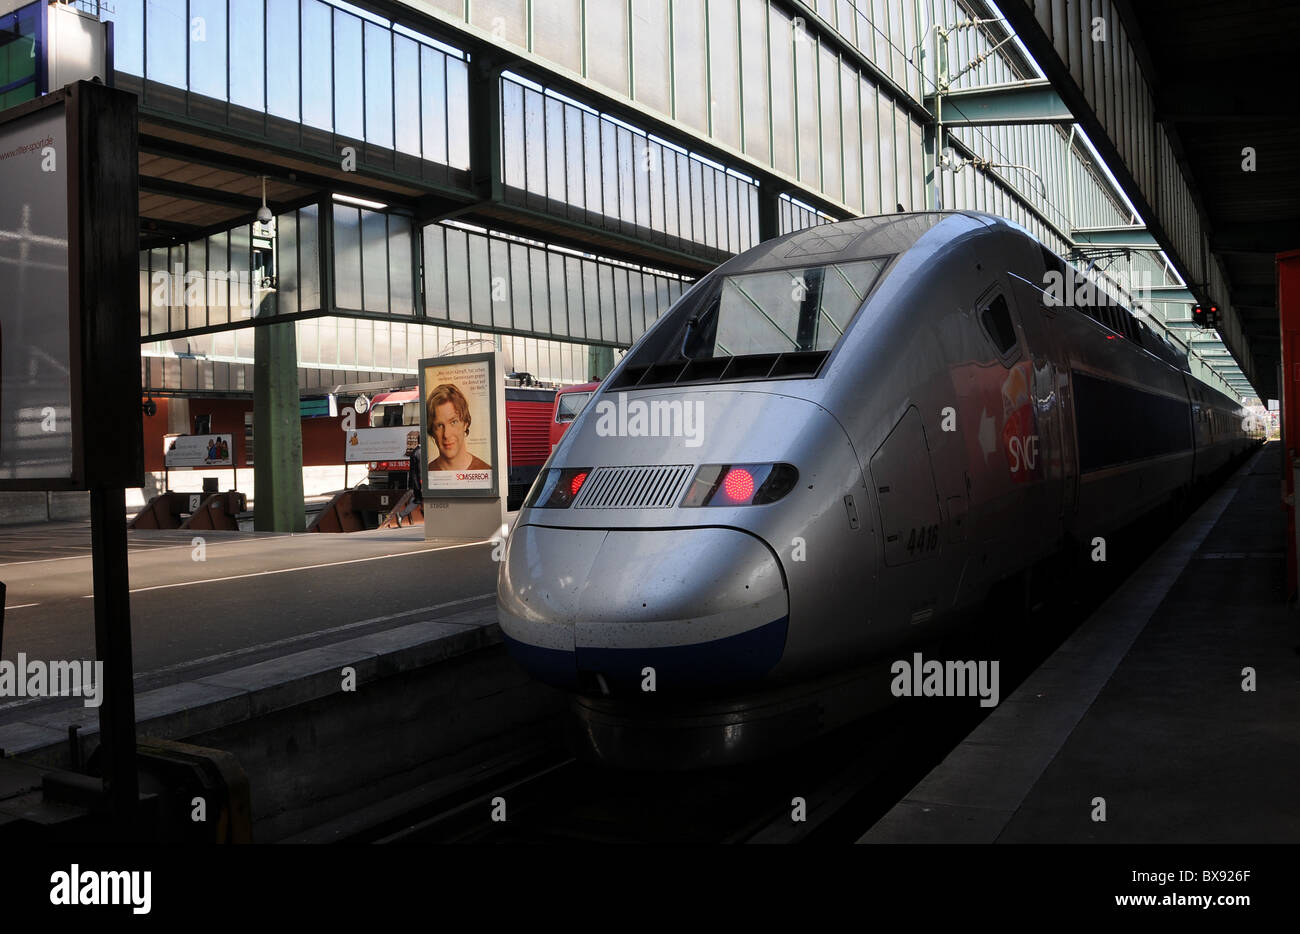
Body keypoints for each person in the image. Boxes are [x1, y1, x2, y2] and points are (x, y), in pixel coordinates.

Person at [427, 383, 491, 472]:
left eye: (453, 422)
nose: (446, 434)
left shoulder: (485, 471)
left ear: (465, 424)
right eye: (440, 425)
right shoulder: (427, 473)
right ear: (432, 431)